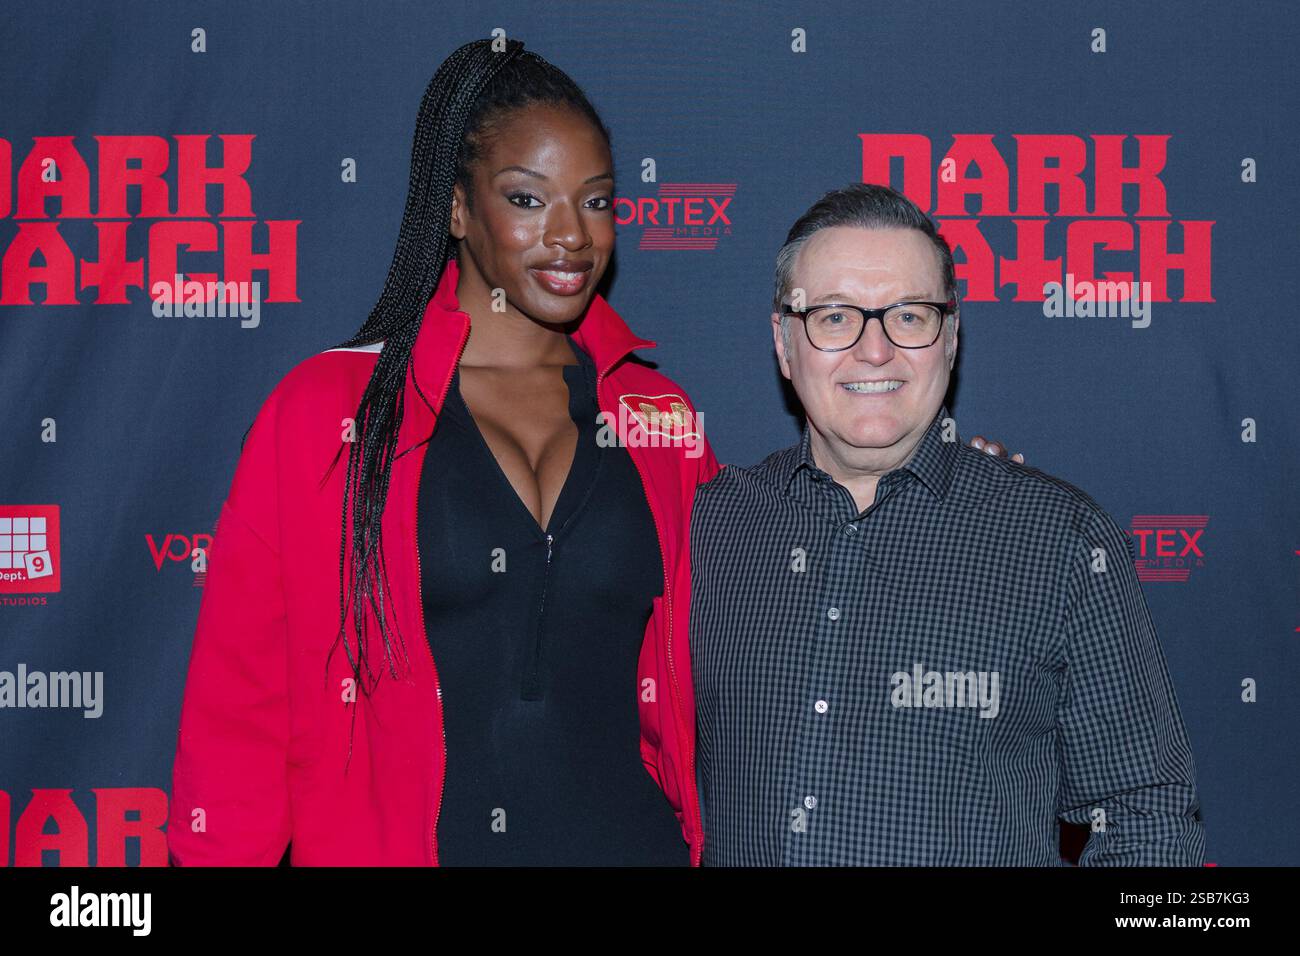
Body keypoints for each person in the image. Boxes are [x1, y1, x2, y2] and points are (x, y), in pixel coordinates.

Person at [689, 182, 1205, 865]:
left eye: (908, 315)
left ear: (951, 339)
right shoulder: (707, 525)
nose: (875, 351)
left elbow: (1149, 817)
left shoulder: (1062, 542)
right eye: (835, 317)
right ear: (785, 344)